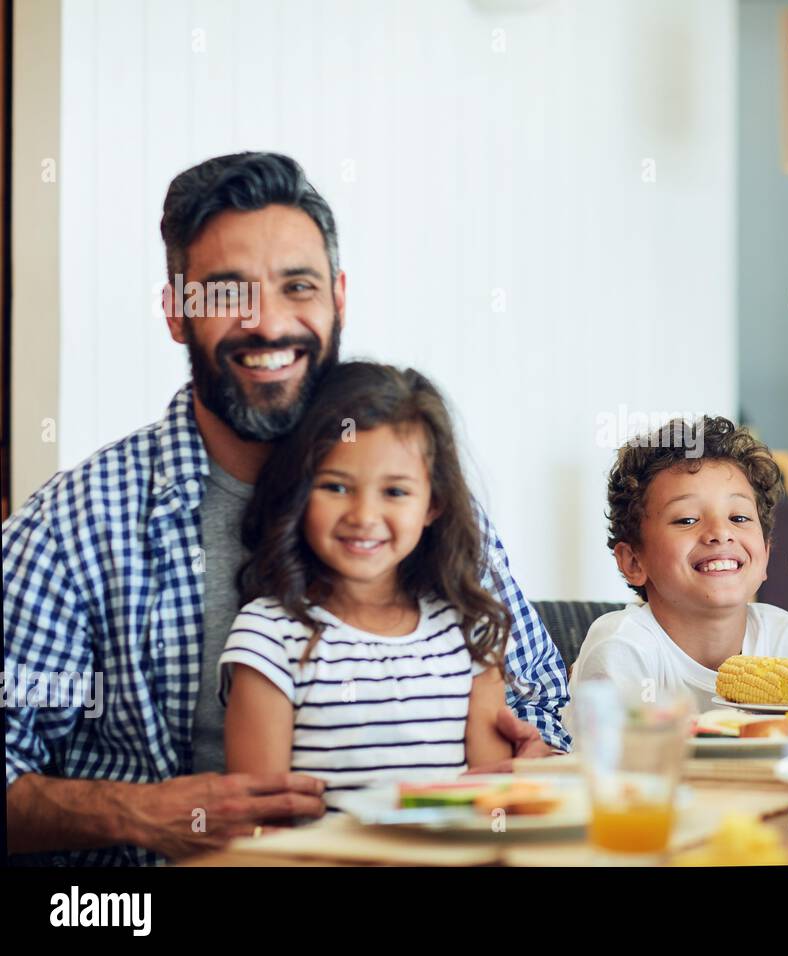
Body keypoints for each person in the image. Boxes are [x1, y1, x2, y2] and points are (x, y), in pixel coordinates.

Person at [4, 152, 568, 866]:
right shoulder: (76, 526)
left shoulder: (426, 498)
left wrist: (532, 748)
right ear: (177, 313)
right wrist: (137, 812)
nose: (267, 322)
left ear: (337, 297)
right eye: (225, 292)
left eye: (296, 286)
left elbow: (546, 700)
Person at [223, 362, 513, 807]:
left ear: (433, 504)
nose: (363, 516)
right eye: (336, 487)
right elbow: (260, 818)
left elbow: (493, 803)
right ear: (300, 491)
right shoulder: (269, 634)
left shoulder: (470, 628)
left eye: (395, 492)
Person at [571, 416, 788, 712]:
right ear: (633, 561)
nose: (720, 532)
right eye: (687, 519)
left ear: (764, 554)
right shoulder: (623, 649)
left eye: (739, 518)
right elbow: (620, 756)